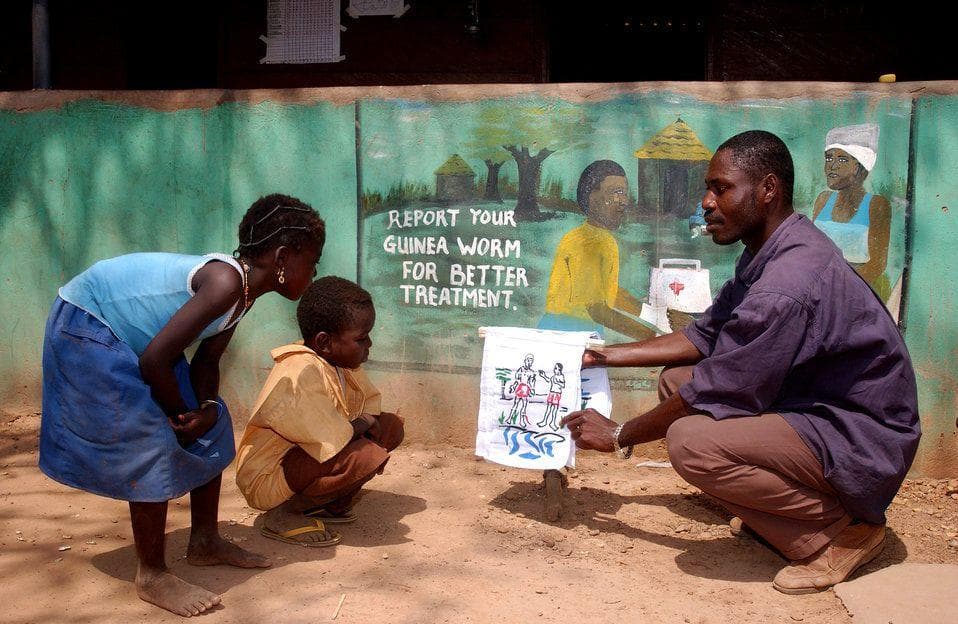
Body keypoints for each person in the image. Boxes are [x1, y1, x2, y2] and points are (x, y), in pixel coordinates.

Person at [561, 130, 920, 595]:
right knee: (676, 383)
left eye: (722, 188)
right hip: (819, 408)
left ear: (768, 190)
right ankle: (779, 515)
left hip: (860, 436)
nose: (707, 202)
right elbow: (704, 335)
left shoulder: (785, 283)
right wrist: (605, 355)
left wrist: (618, 434)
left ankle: (841, 532)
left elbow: (717, 386)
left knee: (691, 442)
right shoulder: (770, 249)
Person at [39, 193, 326, 617]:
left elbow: (206, 362)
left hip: (139, 341)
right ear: (284, 257)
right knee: (150, 439)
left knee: (214, 420)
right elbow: (155, 359)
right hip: (88, 324)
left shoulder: (242, 293)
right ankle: (152, 574)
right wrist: (178, 415)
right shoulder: (227, 283)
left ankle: (205, 541)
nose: (315, 271)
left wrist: (204, 406)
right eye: (313, 260)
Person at [234, 276, 404, 547]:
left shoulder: (338, 363)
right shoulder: (299, 370)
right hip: (270, 476)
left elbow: (369, 405)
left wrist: (367, 422)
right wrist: (363, 423)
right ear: (324, 341)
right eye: (361, 339)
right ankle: (284, 513)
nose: (369, 344)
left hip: (310, 457)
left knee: (390, 427)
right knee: (365, 456)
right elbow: (332, 436)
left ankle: (331, 504)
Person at [539, 160, 656, 340]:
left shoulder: (603, 239)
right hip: (566, 336)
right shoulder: (586, 242)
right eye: (616, 192)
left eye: (624, 193)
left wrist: (655, 316)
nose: (623, 201)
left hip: (584, 333)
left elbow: (608, 293)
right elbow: (596, 309)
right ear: (591, 197)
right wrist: (651, 336)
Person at [812, 123, 892, 300]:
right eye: (828, 158)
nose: (831, 166)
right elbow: (811, 250)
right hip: (821, 291)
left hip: (859, 293)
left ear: (859, 166)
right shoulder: (823, 200)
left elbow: (877, 265)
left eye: (842, 159)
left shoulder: (877, 205)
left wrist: (835, 291)